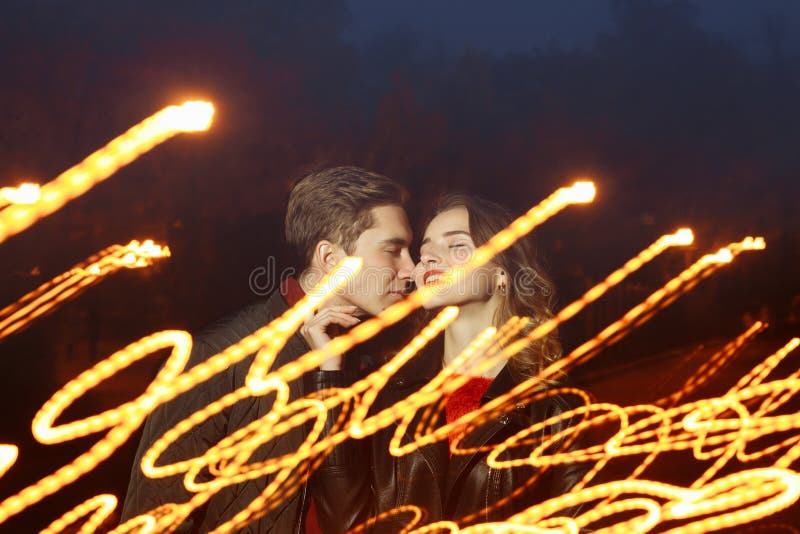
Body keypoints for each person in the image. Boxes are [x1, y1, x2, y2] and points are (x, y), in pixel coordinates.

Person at [120, 166, 415, 533]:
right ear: (330, 258)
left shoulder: (382, 355)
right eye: (393, 250)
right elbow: (153, 518)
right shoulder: (221, 355)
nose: (411, 268)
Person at [306, 193, 588, 532]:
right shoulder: (386, 392)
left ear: (502, 273)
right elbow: (345, 522)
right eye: (425, 251)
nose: (428, 258)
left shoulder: (554, 409)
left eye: (456, 246)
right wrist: (329, 373)